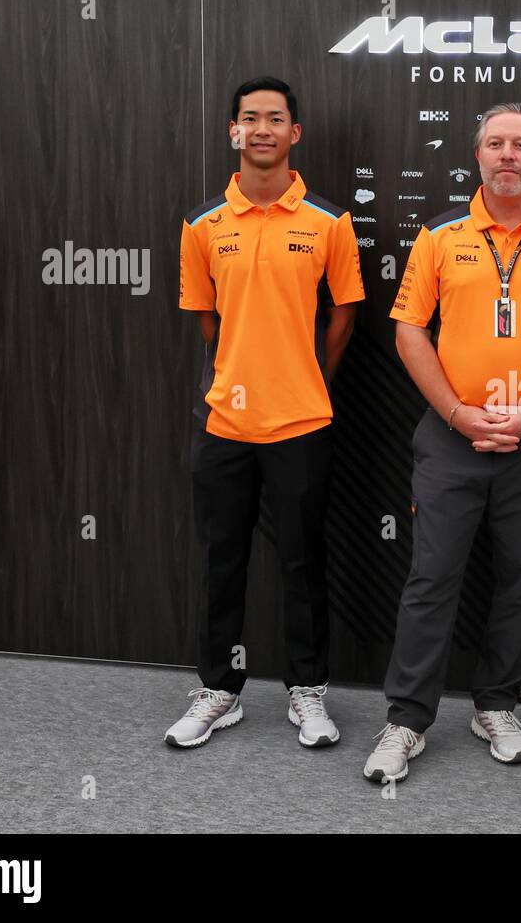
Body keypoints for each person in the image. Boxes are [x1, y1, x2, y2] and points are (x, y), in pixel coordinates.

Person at [364, 102, 521, 783]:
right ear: (477, 156)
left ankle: (496, 703)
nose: (508, 155)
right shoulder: (440, 234)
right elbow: (408, 329)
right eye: (495, 143)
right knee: (430, 579)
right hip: (450, 439)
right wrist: (455, 412)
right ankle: (407, 720)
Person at [166, 76, 364, 749]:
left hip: (303, 422)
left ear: (294, 133)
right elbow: (206, 322)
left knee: (304, 562)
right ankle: (219, 689)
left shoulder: (329, 222)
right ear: (233, 131)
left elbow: (343, 316)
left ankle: (307, 692)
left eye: (275, 119)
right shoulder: (201, 224)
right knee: (223, 559)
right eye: (249, 118)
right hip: (223, 423)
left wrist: (303, 377)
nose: (262, 130)